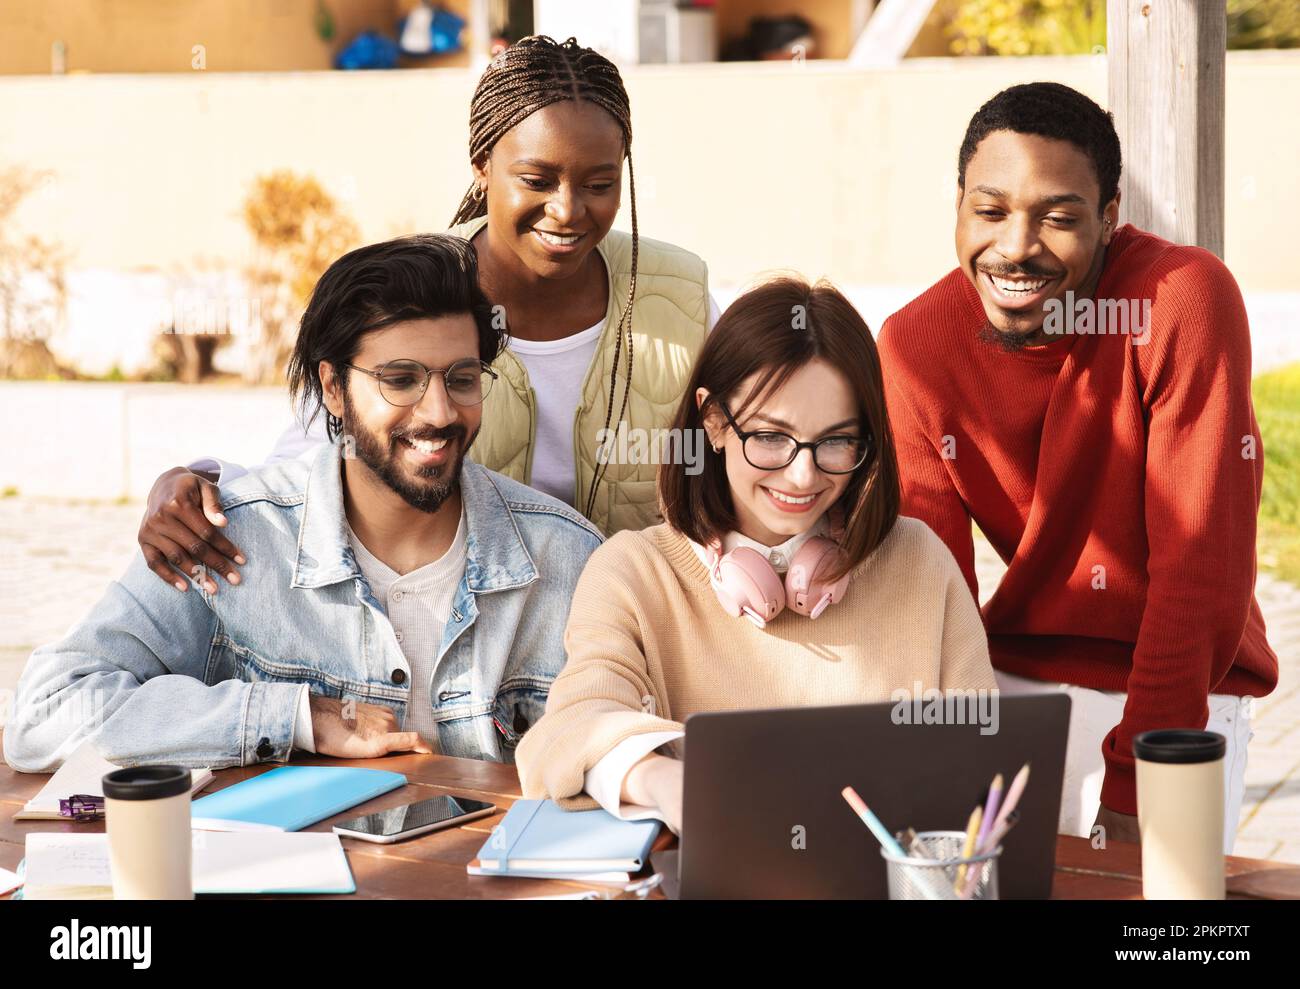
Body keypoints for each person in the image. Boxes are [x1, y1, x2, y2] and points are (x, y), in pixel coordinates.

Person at [132, 36, 718, 601]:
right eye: (536, 181)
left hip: (638, 631)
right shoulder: (410, 290)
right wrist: (196, 481)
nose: (568, 210)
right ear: (483, 165)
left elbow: (759, 445)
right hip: (463, 646)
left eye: (600, 184)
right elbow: (308, 467)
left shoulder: (678, 297)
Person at [3, 235, 602, 773]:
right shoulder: (229, 541)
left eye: (462, 378)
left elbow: (644, 744)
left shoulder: (567, 557)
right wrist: (295, 718)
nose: (440, 412)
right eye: (400, 379)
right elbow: (47, 709)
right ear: (335, 387)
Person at [876, 82, 1277, 851]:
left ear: (1109, 216)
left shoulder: (1182, 299)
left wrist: (1138, 781)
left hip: (1186, 690)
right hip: (1012, 681)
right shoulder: (912, 343)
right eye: (989, 211)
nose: (1017, 245)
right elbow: (933, 584)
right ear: (958, 206)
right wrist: (939, 756)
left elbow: (1202, 566)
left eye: (1059, 218)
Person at [515, 277, 997, 834]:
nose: (803, 475)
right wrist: (665, 783)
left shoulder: (918, 560)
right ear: (714, 422)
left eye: (837, 441)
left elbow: (980, 751)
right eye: (771, 437)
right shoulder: (634, 572)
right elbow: (572, 726)